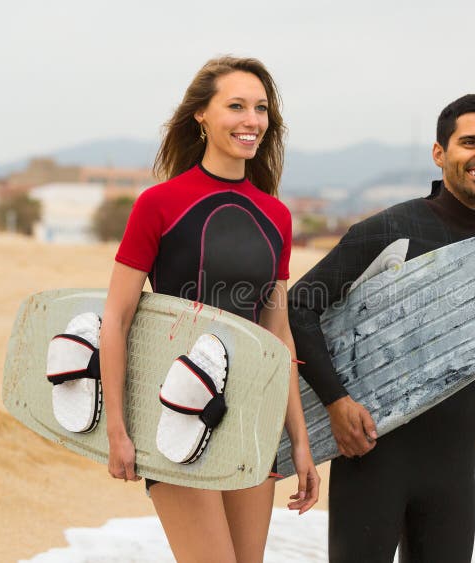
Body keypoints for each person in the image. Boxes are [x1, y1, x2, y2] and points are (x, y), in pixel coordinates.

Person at [288, 94, 475, 562]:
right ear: (440, 153)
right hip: (371, 461)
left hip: (452, 477)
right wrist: (335, 403)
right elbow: (299, 306)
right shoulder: (388, 231)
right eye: (470, 142)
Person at [100, 56, 320, 563]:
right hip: (176, 415)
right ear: (201, 114)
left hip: (252, 423)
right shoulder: (159, 204)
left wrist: (300, 444)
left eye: (261, 108)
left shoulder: (277, 216)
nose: (252, 121)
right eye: (236, 106)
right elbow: (116, 319)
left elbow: (277, 337)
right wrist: (117, 430)